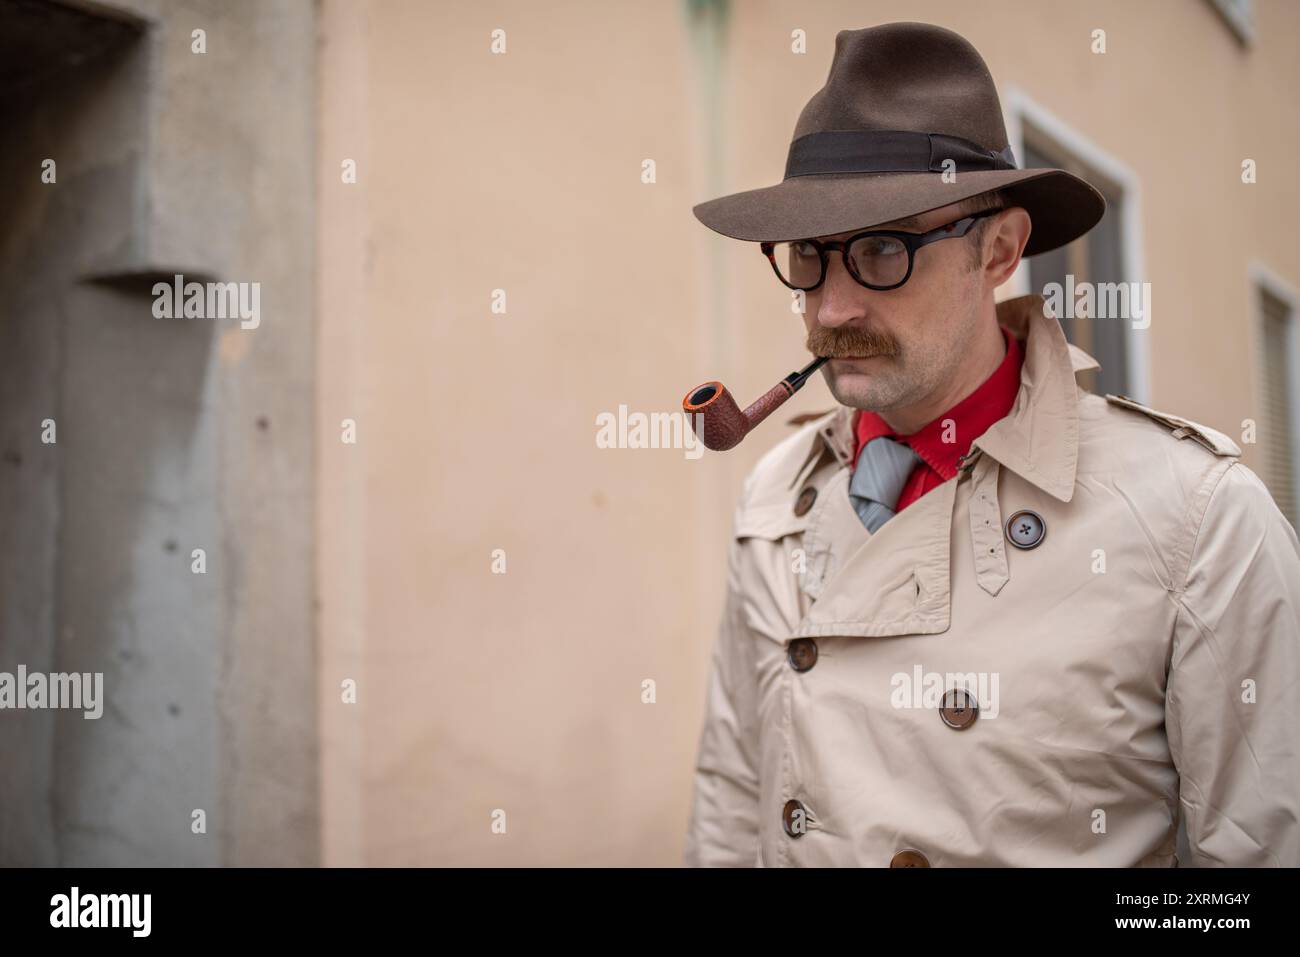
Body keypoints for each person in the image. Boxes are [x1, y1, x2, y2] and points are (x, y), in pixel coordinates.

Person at [682, 21, 1300, 867]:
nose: (830, 309)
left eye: (879, 250)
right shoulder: (776, 494)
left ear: (999, 249)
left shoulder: (1196, 523)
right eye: (810, 257)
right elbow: (729, 802)